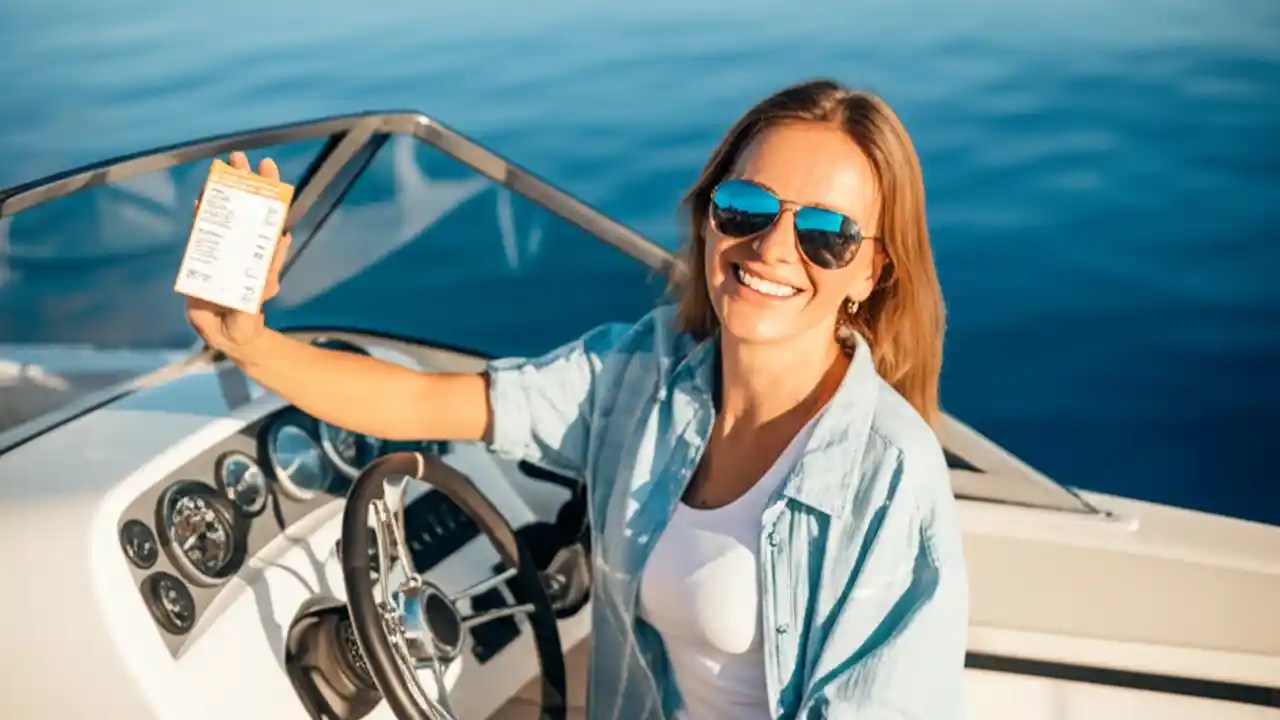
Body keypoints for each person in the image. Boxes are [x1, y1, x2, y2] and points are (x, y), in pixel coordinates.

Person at [187, 78, 968, 719]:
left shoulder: (888, 474)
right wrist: (251, 343)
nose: (770, 248)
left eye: (827, 234)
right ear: (709, 217)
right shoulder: (642, 374)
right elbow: (424, 404)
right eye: (747, 208)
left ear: (871, 272)